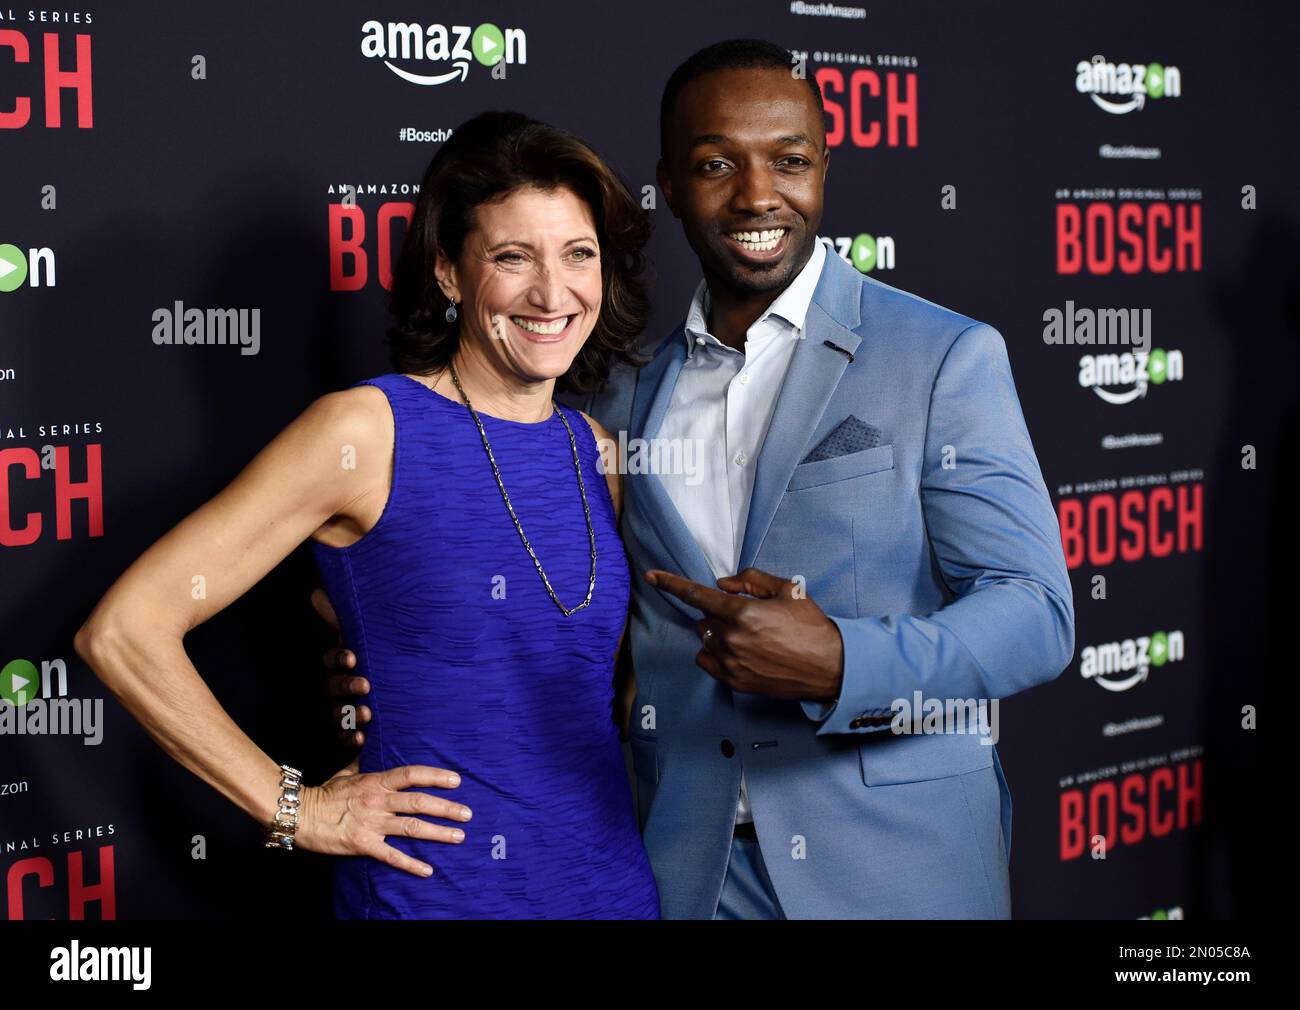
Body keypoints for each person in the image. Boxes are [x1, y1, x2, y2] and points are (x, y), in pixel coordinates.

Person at [328, 38, 1075, 919]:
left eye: (790, 161)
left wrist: (843, 660)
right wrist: (399, 649)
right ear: (671, 186)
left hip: (893, 871)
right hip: (683, 871)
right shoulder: (617, 394)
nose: (760, 195)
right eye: (718, 164)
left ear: (824, 170)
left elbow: (1036, 613)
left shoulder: (943, 355)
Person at [75, 110, 661, 919]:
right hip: (433, 902)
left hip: (613, 894)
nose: (552, 292)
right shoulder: (367, 432)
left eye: (579, 254)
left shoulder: (598, 453)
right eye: (512, 257)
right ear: (451, 273)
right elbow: (125, 631)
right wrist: (299, 809)